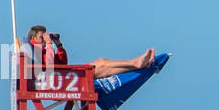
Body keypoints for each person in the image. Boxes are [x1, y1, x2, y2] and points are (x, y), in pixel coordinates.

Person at [23, 25, 154, 79]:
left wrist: (59, 45)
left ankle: (137, 64)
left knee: (103, 66)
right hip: (61, 78)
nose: (44, 40)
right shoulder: (36, 50)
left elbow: (62, 62)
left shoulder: (44, 49)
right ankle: (136, 63)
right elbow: (50, 66)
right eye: (41, 37)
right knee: (102, 65)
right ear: (33, 38)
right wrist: (50, 45)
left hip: (65, 74)